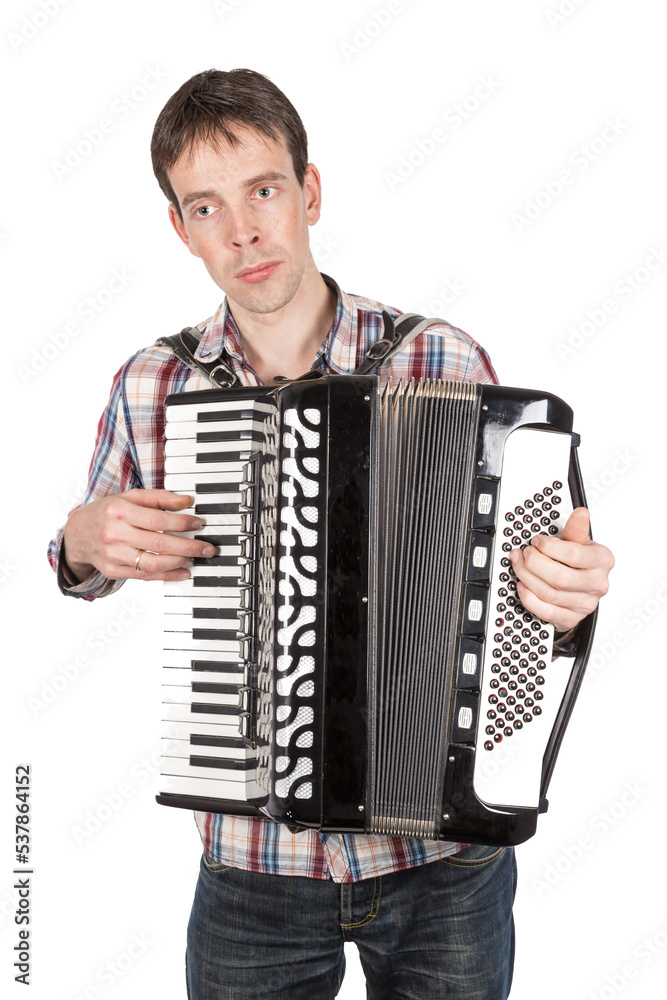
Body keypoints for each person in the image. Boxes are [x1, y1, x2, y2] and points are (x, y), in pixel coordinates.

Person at [48, 68, 614, 1000]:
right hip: (250, 864)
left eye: (263, 191)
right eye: (205, 207)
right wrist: (78, 538)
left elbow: (518, 592)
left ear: (308, 192)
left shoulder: (439, 358)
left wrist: (563, 590)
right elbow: (83, 567)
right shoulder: (156, 383)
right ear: (180, 229)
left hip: (442, 859)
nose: (243, 231)